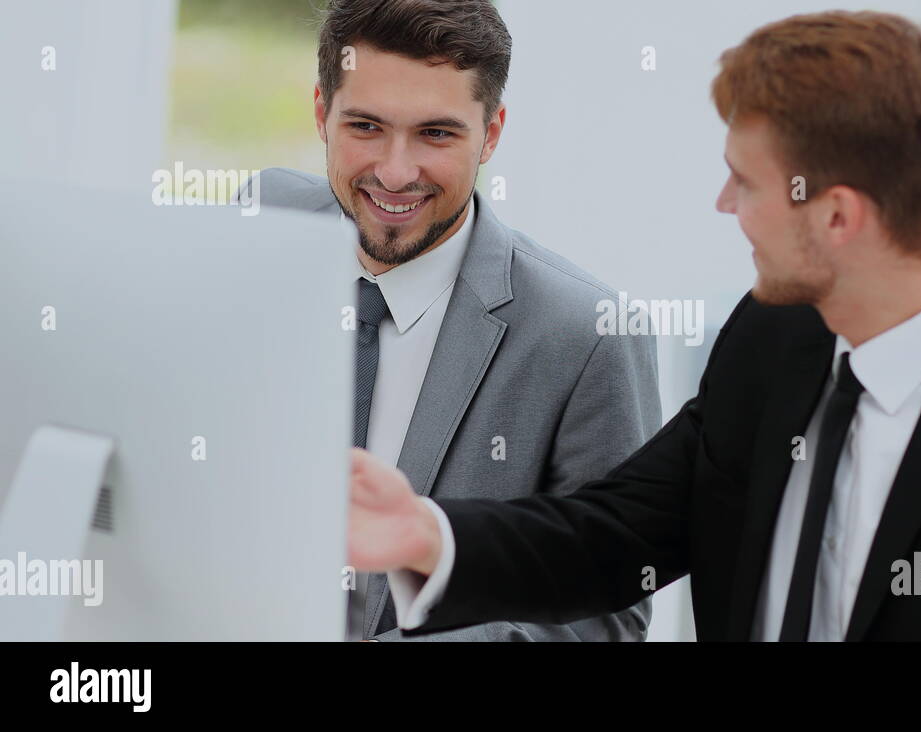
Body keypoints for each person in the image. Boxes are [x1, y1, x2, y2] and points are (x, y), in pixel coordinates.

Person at [348, 9, 921, 641]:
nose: (725, 207)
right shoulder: (775, 339)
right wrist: (424, 531)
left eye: (743, 183)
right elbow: (617, 536)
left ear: (837, 217)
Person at [261, 0, 659, 641]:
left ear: (492, 134)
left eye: (436, 134)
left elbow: (607, 612)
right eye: (365, 126)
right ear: (320, 112)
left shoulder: (587, 334)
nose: (395, 172)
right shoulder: (253, 229)